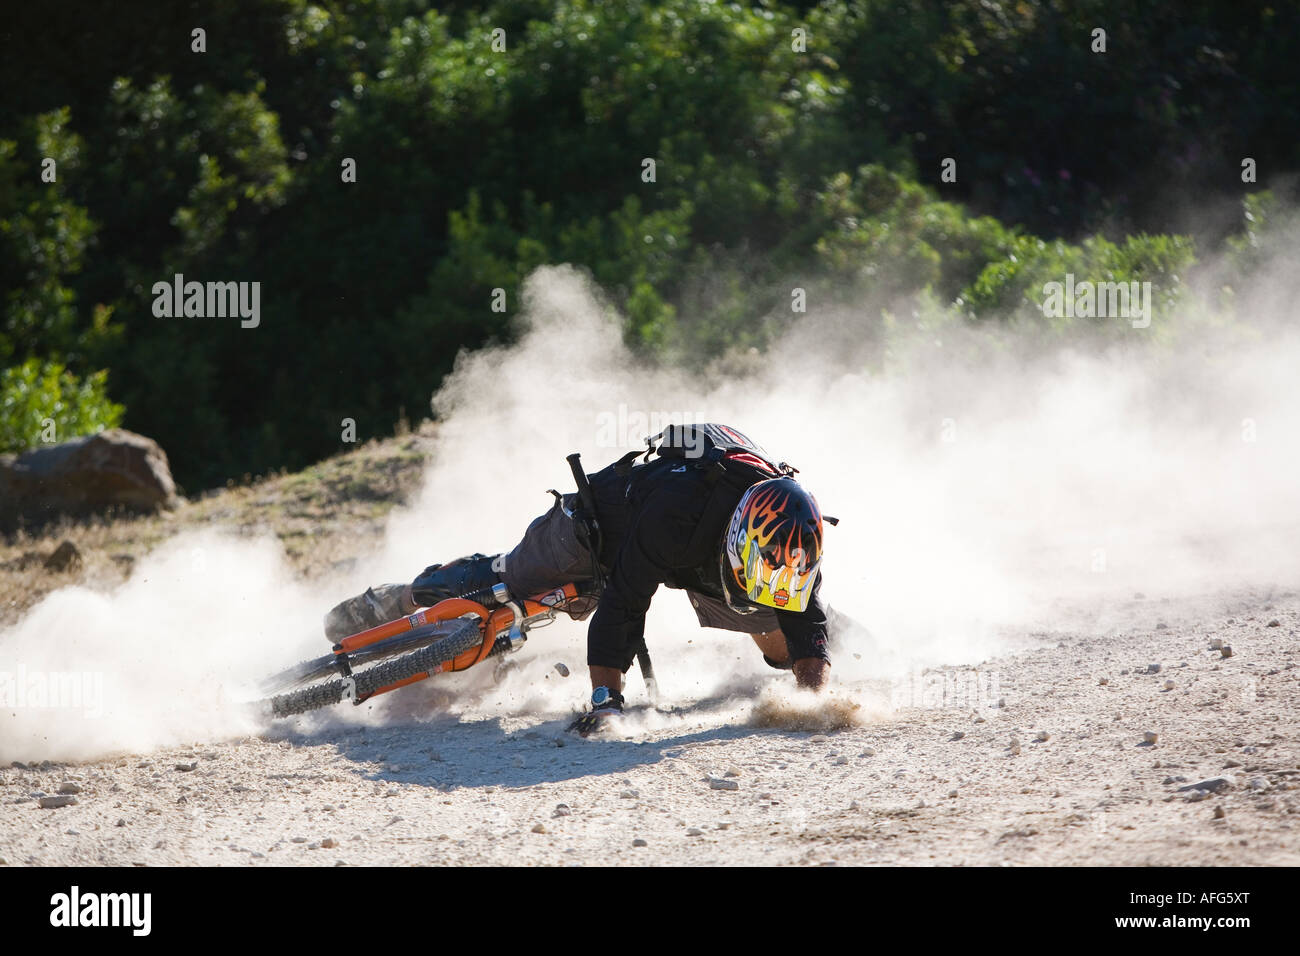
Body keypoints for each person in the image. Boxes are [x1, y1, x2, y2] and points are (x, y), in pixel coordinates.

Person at [322, 423, 840, 735]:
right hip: (607, 526)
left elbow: (806, 610)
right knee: (511, 579)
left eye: (788, 570)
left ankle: (849, 646)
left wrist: (815, 695)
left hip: (705, 558)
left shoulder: (795, 538)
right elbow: (624, 605)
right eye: (768, 564)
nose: (783, 575)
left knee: (785, 644)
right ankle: (396, 598)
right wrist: (606, 703)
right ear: (743, 541)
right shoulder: (674, 518)